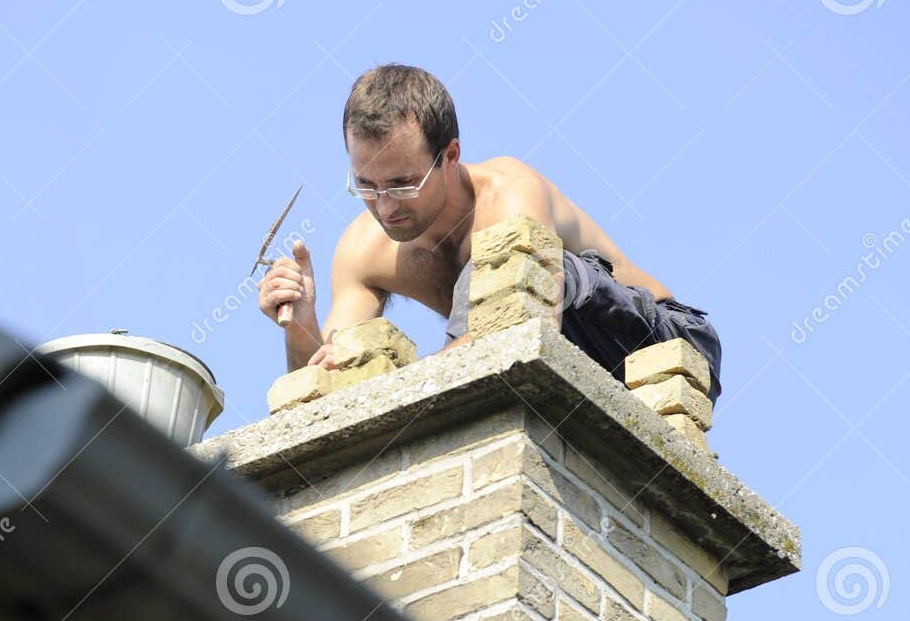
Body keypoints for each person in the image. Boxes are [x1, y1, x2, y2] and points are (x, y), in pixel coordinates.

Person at [257, 64, 721, 402]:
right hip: (557, 363)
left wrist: (396, 394)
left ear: (452, 155)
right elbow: (331, 388)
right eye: (366, 186)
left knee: (513, 263)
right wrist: (301, 327)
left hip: (664, 339)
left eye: (403, 183)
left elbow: (515, 333)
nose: (385, 206)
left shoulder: (510, 194)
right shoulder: (362, 249)